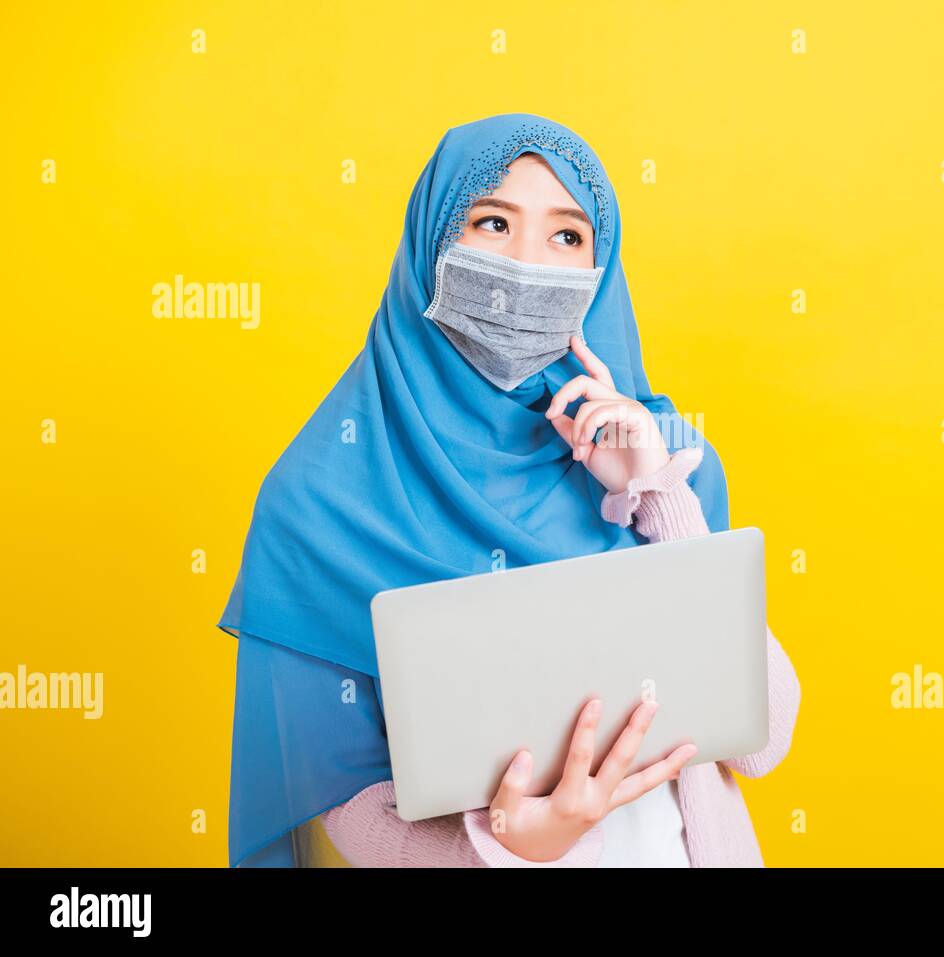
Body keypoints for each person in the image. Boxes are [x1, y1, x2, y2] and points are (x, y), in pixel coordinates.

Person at [218, 113, 800, 867]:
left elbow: (763, 742)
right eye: (493, 222)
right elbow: (341, 800)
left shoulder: (664, 453)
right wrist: (508, 847)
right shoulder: (319, 502)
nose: (528, 264)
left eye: (566, 236)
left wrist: (659, 495)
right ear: (433, 241)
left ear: (602, 265)